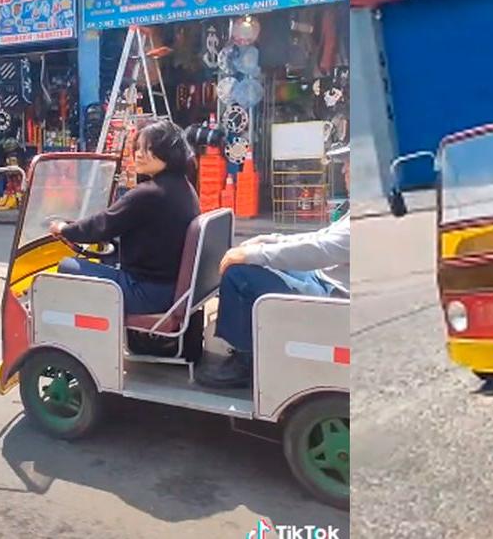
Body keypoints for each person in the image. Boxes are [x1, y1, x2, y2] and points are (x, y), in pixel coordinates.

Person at [195, 158, 350, 389]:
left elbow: (318, 251)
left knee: (238, 274)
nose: (345, 169)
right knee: (253, 262)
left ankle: (245, 362)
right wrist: (267, 241)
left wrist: (254, 254)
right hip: (322, 281)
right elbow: (320, 237)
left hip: (331, 298)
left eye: (351, 163)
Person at [48, 121, 200, 315]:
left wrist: (64, 229)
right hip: (169, 289)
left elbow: (102, 224)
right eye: (137, 148)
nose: (139, 154)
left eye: (148, 149)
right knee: (108, 258)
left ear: (168, 153)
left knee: (67, 266)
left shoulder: (149, 194)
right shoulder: (183, 187)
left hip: (146, 293)